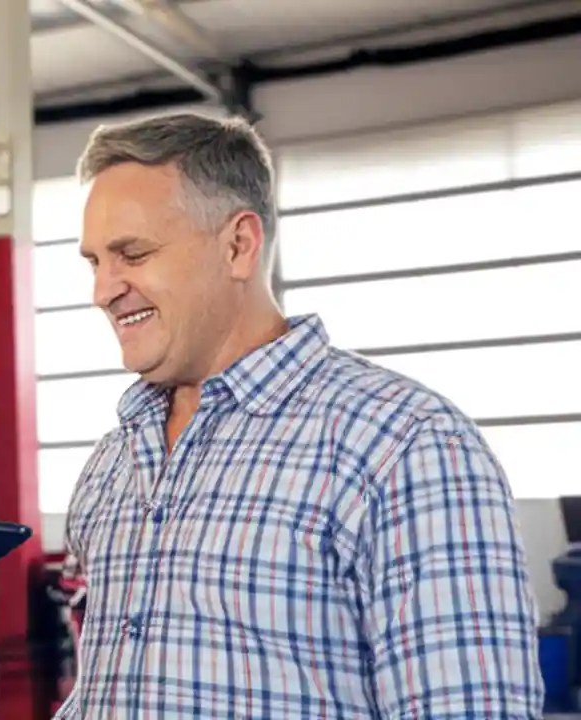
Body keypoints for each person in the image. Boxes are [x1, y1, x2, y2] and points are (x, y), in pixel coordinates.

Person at [54, 112, 544, 718]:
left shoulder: (405, 447)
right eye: (94, 262)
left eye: (132, 254)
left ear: (239, 245)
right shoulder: (116, 458)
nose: (103, 290)